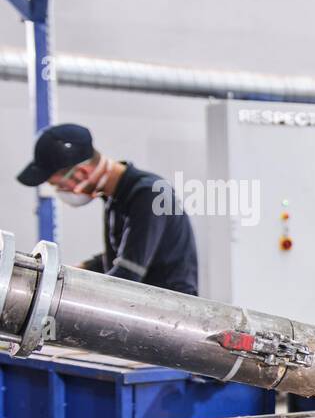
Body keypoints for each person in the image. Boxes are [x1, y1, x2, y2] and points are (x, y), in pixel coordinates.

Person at [17, 123, 198, 294]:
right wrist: (70, 272)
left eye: (59, 185)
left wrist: (63, 293)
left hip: (169, 316)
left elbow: (127, 276)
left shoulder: (150, 194)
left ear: (82, 173)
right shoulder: (116, 198)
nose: (61, 192)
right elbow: (125, 254)